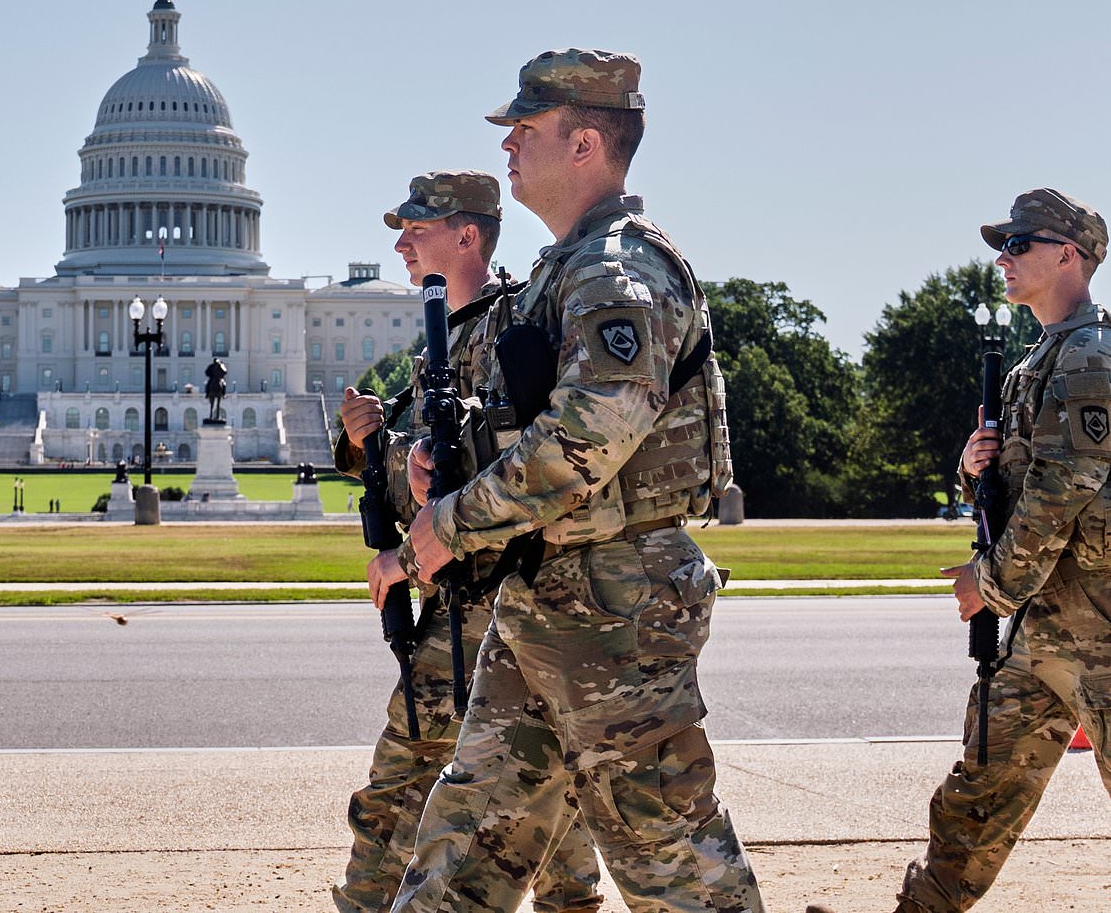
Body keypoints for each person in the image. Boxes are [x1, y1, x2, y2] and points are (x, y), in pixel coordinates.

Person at [390, 49, 763, 913]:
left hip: (616, 608)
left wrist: (455, 519)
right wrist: (445, 461)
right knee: (466, 845)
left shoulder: (616, 271)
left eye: (527, 128)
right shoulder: (566, 268)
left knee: (670, 862)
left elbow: (590, 436)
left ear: (586, 143)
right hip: (546, 599)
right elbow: (532, 423)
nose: (510, 146)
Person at [331, 170, 602, 913]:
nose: (400, 244)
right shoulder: (438, 347)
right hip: (459, 604)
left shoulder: (518, 332)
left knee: (520, 800)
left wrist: (409, 547)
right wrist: (372, 444)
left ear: (467, 235)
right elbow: (426, 477)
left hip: (510, 601)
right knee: (463, 790)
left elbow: (537, 469)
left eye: (416, 229)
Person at [852, 190, 1108, 913]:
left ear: (1069, 254)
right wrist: (977, 469)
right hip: (1040, 634)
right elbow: (1025, 492)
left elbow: (1066, 492)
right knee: (978, 795)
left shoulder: (1091, 356)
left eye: (1020, 243)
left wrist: (988, 586)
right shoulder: (1039, 361)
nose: (1004, 257)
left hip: (1100, 630)